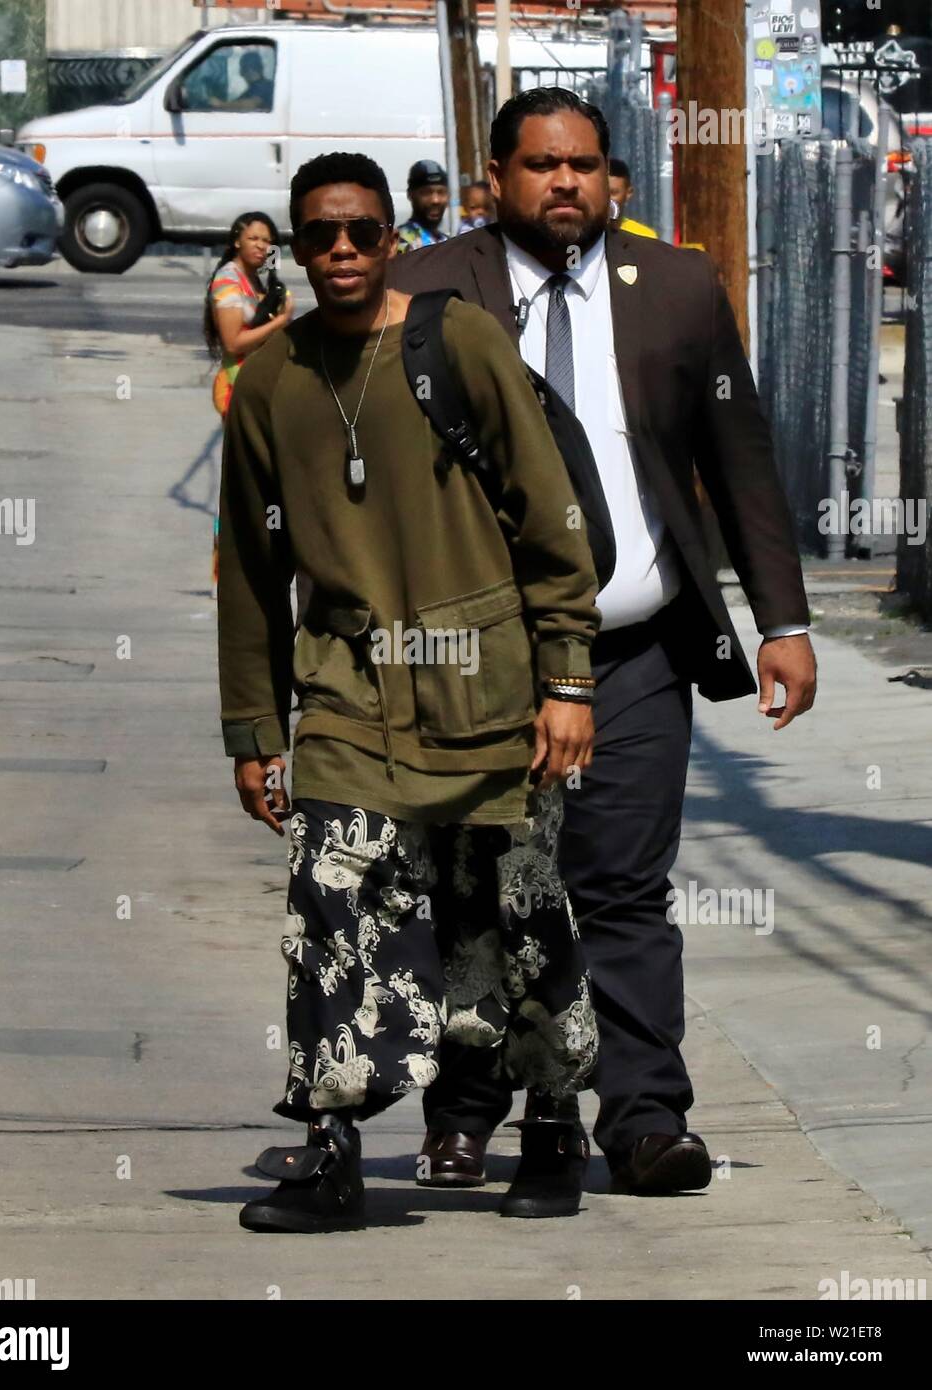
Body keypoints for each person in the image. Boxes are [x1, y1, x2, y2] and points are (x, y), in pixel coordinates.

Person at [389, 86, 817, 1200]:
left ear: (611, 175)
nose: (566, 183)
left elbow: (741, 454)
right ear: (495, 179)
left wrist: (785, 622)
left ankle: (644, 1118)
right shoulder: (426, 293)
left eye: (585, 164)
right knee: (479, 889)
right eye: (540, 165)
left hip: (636, 653)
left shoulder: (675, 286)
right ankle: (467, 1113)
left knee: (625, 894)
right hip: (479, 666)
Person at [218, 151, 603, 1233]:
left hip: (488, 694)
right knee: (329, 914)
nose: (341, 251)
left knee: (513, 919)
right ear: (295, 250)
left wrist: (568, 679)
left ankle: (553, 1126)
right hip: (344, 693)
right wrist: (254, 728)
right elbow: (250, 571)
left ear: (393, 238)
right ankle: (334, 1149)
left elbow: (553, 520)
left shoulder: (461, 342)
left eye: (360, 233)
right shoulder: (268, 382)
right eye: (318, 237)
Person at [203, 211, 292, 595]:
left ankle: (259, 562)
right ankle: (229, 568)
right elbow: (234, 342)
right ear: (237, 239)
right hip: (238, 388)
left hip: (261, 390)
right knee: (243, 481)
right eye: (254, 238)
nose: (260, 245)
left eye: (266, 240)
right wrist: (281, 321)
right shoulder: (227, 280)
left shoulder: (258, 281)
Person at [396, 159, 450, 252]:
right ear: (410, 195)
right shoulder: (400, 242)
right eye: (427, 192)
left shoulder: (447, 242)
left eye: (441, 192)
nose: (435, 200)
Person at [608, 157, 658, 239]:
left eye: (613, 193)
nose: (606, 199)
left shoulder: (644, 236)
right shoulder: (584, 234)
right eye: (602, 192)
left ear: (628, 193)